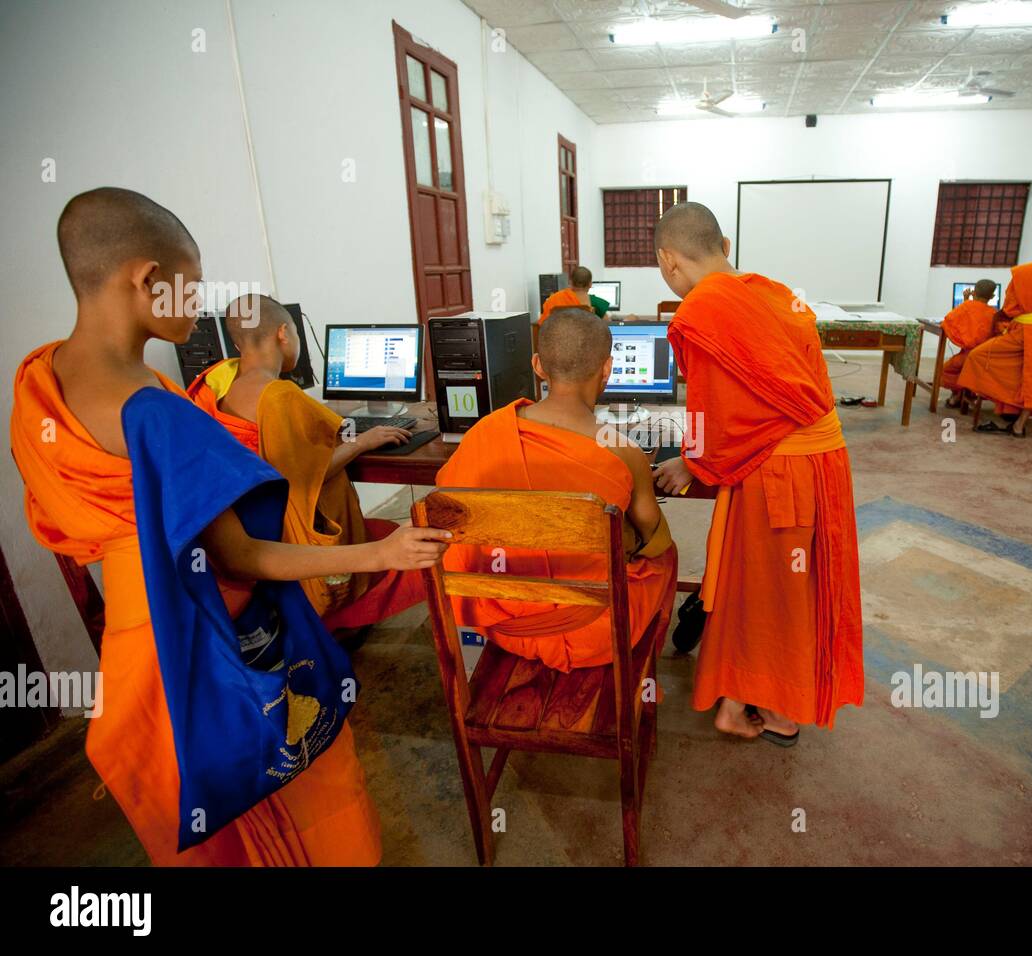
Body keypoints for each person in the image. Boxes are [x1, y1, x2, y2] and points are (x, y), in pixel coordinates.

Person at [10, 187, 449, 865]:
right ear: (146, 278)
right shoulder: (155, 410)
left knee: (206, 826)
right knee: (304, 795)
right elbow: (241, 556)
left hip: (133, 658)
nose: (201, 306)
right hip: (210, 637)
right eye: (192, 287)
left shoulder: (38, 384)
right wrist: (385, 551)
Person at [650, 201, 864, 745]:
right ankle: (740, 700)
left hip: (778, 472)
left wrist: (692, 462)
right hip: (815, 463)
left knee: (771, 594)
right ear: (724, 247)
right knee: (766, 587)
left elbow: (716, 419)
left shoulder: (702, 311)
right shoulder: (772, 291)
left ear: (668, 261)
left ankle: (765, 704)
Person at [435, 307, 676, 670]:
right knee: (665, 557)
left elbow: (449, 514)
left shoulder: (484, 434)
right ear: (608, 369)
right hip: (592, 631)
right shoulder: (622, 452)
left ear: (538, 365)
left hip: (503, 622)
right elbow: (655, 540)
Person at [190, 295, 424, 628]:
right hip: (292, 540)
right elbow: (306, 476)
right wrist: (363, 442)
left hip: (245, 536)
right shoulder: (278, 396)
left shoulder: (216, 386)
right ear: (284, 333)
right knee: (411, 542)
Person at [957, 229, 1032, 437]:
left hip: (1023, 330)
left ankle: (1008, 406)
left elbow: (1010, 306)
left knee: (978, 356)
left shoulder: (1024, 272)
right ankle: (1019, 422)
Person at [940, 280, 998, 406]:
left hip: (968, 356)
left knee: (946, 369)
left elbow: (949, 322)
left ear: (974, 292)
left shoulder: (966, 307)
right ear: (992, 297)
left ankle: (957, 394)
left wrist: (966, 301)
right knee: (970, 370)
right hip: (985, 358)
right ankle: (966, 394)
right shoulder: (994, 314)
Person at [540, 265, 607, 323]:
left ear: (570, 282)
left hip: (558, 336)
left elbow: (543, 324)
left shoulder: (553, 299)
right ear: (590, 284)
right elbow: (608, 324)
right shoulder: (595, 302)